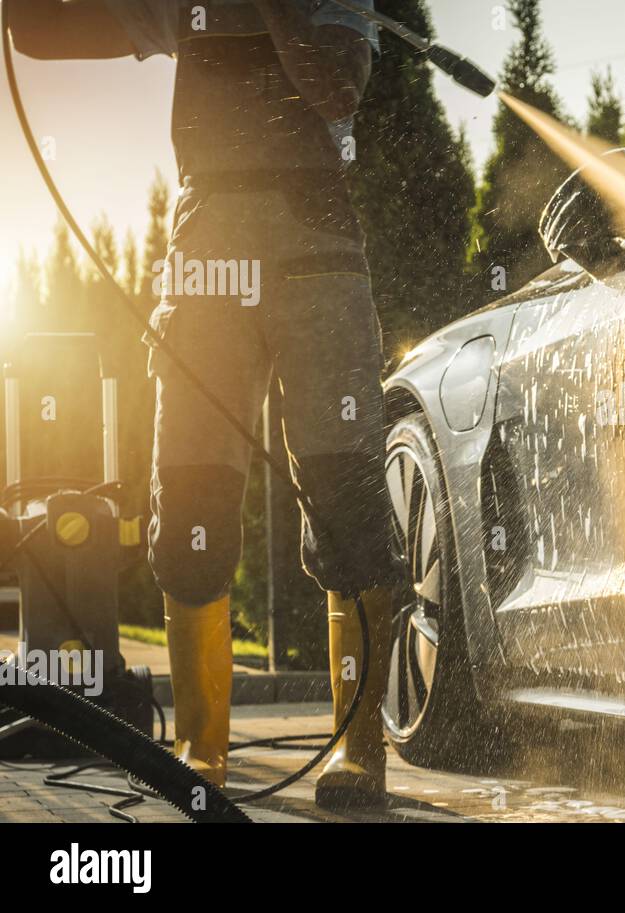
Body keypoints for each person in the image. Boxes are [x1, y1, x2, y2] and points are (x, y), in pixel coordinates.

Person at [9, 0, 400, 808]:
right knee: (188, 491)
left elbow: (334, 86)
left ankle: (359, 751)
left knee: (346, 494)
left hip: (318, 255)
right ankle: (199, 749)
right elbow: (37, 32)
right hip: (204, 252)